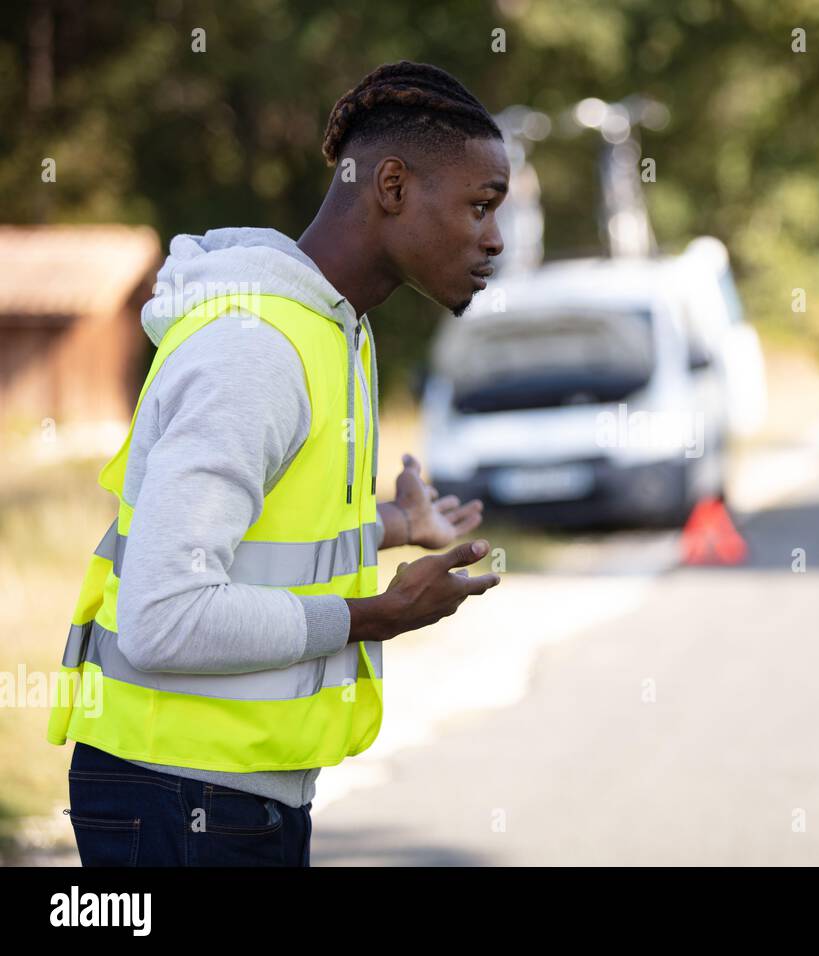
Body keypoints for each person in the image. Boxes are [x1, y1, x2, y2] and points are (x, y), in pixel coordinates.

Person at [48, 61, 510, 866]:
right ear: (392, 186)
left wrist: (397, 524)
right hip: (175, 799)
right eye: (480, 205)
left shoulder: (333, 332)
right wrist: (376, 615)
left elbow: (261, 547)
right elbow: (166, 618)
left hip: (224, 797)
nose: (495, 237)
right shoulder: (255, 351)